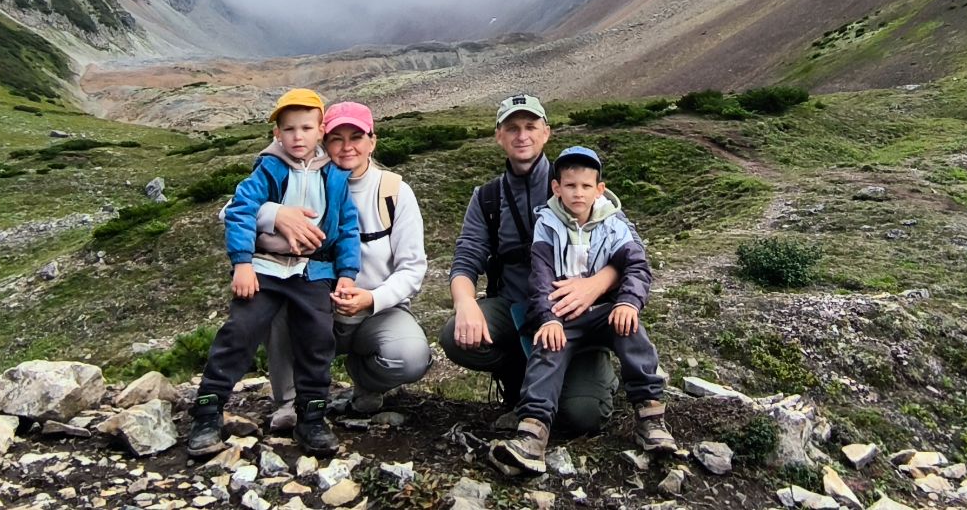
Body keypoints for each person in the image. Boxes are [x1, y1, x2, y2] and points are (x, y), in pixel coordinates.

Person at [187, 88, 359, 457]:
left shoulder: (335, 176)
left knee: (317, 338)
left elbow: (347, 228)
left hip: (312, 271)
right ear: (277, 134)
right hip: (264, 269)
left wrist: (346, 272)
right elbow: (239, 211)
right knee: (240, 332)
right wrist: (243, 264)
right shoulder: (268, 167)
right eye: (289, 129)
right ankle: (206, 413)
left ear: (320, 130)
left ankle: (311, 417)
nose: (298, 137)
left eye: (306, 128)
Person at [489, 145, 675, 475]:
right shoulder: (546, 224)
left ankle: (650, 416)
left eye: (586, 186)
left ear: (599, 189)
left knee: (630, 328)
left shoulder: (614, 223)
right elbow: (541, 277)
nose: (578, 193)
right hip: (562, 315)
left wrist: (628, 302)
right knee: (548, 345)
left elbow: (637, 267)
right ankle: (532, 433)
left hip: (604, 311)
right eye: (570, 185)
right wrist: (547, 318)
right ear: (556, 187)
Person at [441, 94, 621, 435]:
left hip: (575, 314)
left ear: (546, 133)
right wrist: (464, 302)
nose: (521, 136)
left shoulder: (577, 184)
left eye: (530, 126)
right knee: (454, 336)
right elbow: (466, 258)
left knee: (584, 416)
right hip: (515, 308)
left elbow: (627, 254)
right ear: (499, 136)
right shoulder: (487, 197)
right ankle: (524, 375)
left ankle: (590, 371)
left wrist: (594, 286)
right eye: (512, 128)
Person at [261, 101, 430, 430]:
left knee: (410, 356)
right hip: (311, 305)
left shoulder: (395, 192)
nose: (347, 146)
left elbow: (412, 268)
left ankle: (364, 382)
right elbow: (230, 211)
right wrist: (276, 214)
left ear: (372, 141)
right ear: (324, 140)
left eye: (357, 136)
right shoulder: (299, 178)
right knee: (273, 302)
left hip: (374, 313)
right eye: (337, 138)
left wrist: (372, 298)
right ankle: (289, 402)